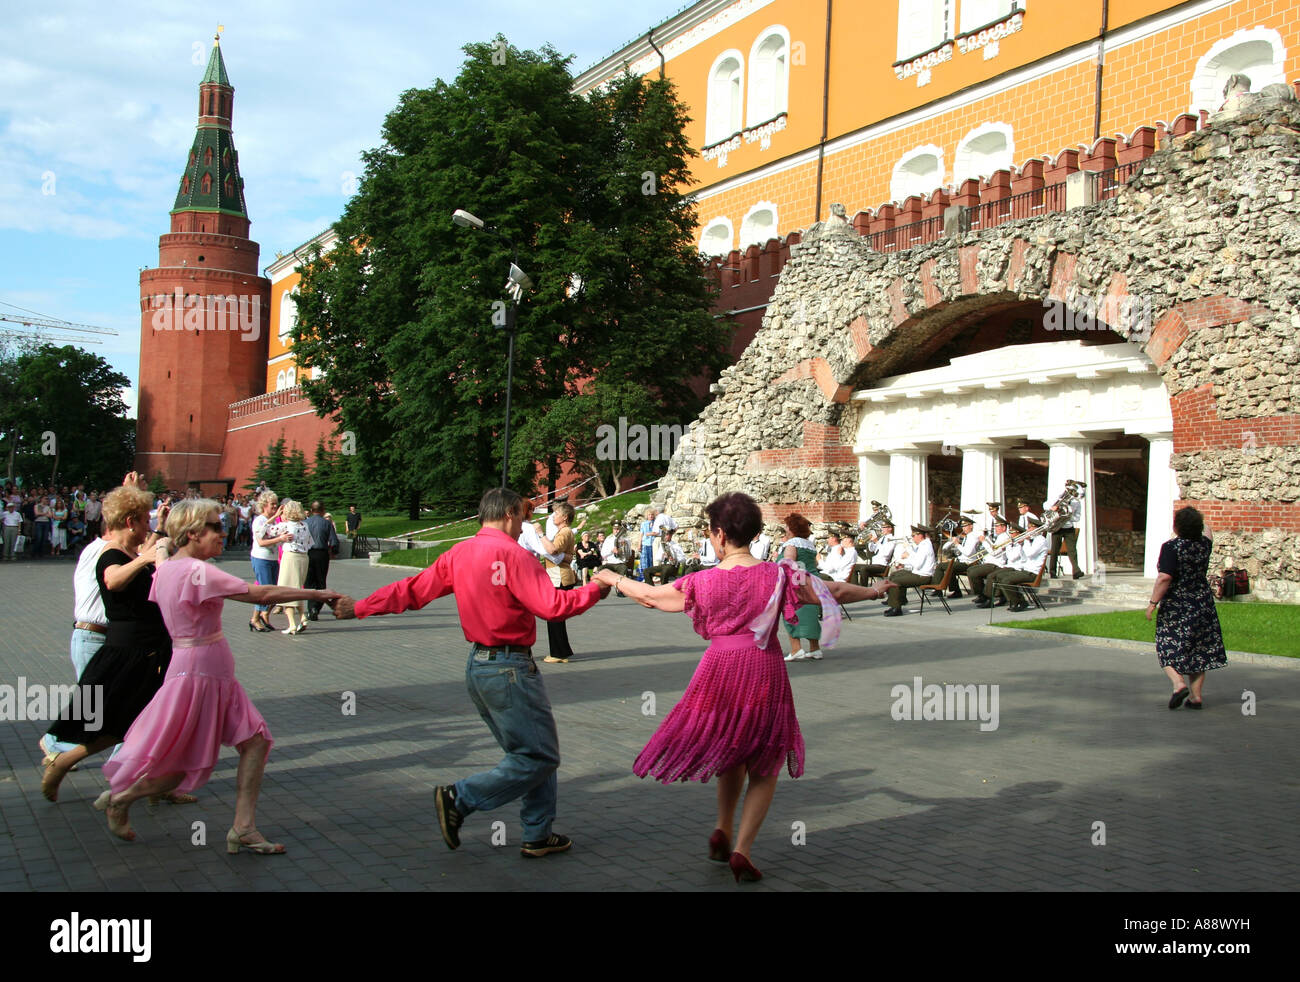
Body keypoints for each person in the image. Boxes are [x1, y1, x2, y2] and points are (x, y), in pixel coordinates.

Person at [592, 492, 887, 883]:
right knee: (764, 761)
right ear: (753, 532)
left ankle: (722, 826)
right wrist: (874, 591)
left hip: (718, 669)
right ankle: (741, 849)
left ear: (718, 534)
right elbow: (832, 591)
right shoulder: (779, 574)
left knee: (731, 748)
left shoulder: (702, 580)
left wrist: (612, 577)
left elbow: (651, 596)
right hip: (763, 668)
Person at [332, 487, 610, 858]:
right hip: (510, 668)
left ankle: (538, 833)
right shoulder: (515, 556)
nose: (525, 523)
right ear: (510, 513)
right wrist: (595, 590)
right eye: (524, 515)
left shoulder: (460, 552)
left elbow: (413, 591)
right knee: (539, 757)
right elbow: (552, 606)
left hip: (479, 666)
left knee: (532, 751)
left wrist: (361, 606)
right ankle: (459, 799)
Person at [94, 499, 341, 847]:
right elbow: (261, 592)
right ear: (193, 533)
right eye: (215, 527)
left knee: (255, 741)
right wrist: (317, 593)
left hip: (202, 668)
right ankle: (121, 799)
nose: (223, 533)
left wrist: (163, 539)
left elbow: (164, 556)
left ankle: (243, 828)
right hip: (201, 672)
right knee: (184, 764)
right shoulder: (197, 572)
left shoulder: (168, 568)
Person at [39, 485, 173, 802]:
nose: (148, 529)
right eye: (144, 522)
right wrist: (146, 560)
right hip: (130, 651)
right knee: (117, 721)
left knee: (132, 722)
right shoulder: (109, 554)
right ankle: (69, 762)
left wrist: (157, 537)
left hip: (150, 648)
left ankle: (151, 787)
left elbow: (144, 555)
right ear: (129, 522)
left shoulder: (130, 553)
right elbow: (113, 579)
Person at [1146, 507, 1227, 710]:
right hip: (1202, 603)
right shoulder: (1204, 545)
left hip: (1177, 604)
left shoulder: (1171, 547)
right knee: (1198, 650)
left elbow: (1165, 577)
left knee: (1167, 645)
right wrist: (1196, 525)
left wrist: (1153, 602)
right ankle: (1196, 697)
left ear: (1176, 526)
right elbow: (1207, 529)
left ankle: (1178, 683)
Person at [535, 501, 581, 664]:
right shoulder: (564, 531)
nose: (554, 516)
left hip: (559, 576)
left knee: (554, 615)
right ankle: (561, 650)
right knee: (556, 616)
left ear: (565, 517)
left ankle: (558, 652)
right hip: (557, 575)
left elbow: (553, 550)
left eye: (557, 514)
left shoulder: (564, 532)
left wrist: (540, 535)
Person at [780, 514, 822, 661]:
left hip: (796, 584)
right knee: (811, 615)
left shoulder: (791, 543)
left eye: (787, 526)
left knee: (790, 614)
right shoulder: (809, 544)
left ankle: (796, 649)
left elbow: (789, 561)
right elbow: (814, 564)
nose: (785, 529)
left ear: (792, 528)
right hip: (813, 581)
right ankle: (815, 648)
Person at [249, 491, 290, 633]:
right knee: (265, 591)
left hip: (272, 558)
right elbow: (261, 541)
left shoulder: (273, 521)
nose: (275, 506)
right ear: (264, 505)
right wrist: (280, 539)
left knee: (272, 591)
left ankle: (262, 615)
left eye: (275, 504)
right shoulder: (259, 520)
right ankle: (255, 618)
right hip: (261, 558)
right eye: (272, 504)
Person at [269, 499, 312, 635]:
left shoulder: (285, 525)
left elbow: (266, 529)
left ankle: (292, 624)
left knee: (286, 590)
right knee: (298, 588)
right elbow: (310, 542)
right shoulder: (304, 525)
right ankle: (303, 617)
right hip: (303, 557)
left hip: (290, 557)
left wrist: (275, 516)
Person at [883, 525, 937, 617]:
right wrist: (903, 563)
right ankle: (898, 601)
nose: (913, 538)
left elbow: (917, 565)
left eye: (914, 536)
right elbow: (915, 559)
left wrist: (907, 557)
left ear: (920, 535)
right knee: (894, 575)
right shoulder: (923, 545)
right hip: (918, 573)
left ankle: (896, 608)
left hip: (923, 576)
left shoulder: (925, 546)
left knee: (896, 581)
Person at [304, 500, 339, 620]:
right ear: (323, 510)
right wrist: (334, 552)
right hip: (322, 554)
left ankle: (311, 608)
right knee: (321, 581)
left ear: (311, 510)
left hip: (308, 554)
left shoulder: (305, 523)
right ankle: (316, 607)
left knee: (309, 582)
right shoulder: (327, 523)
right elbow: (333, 540)